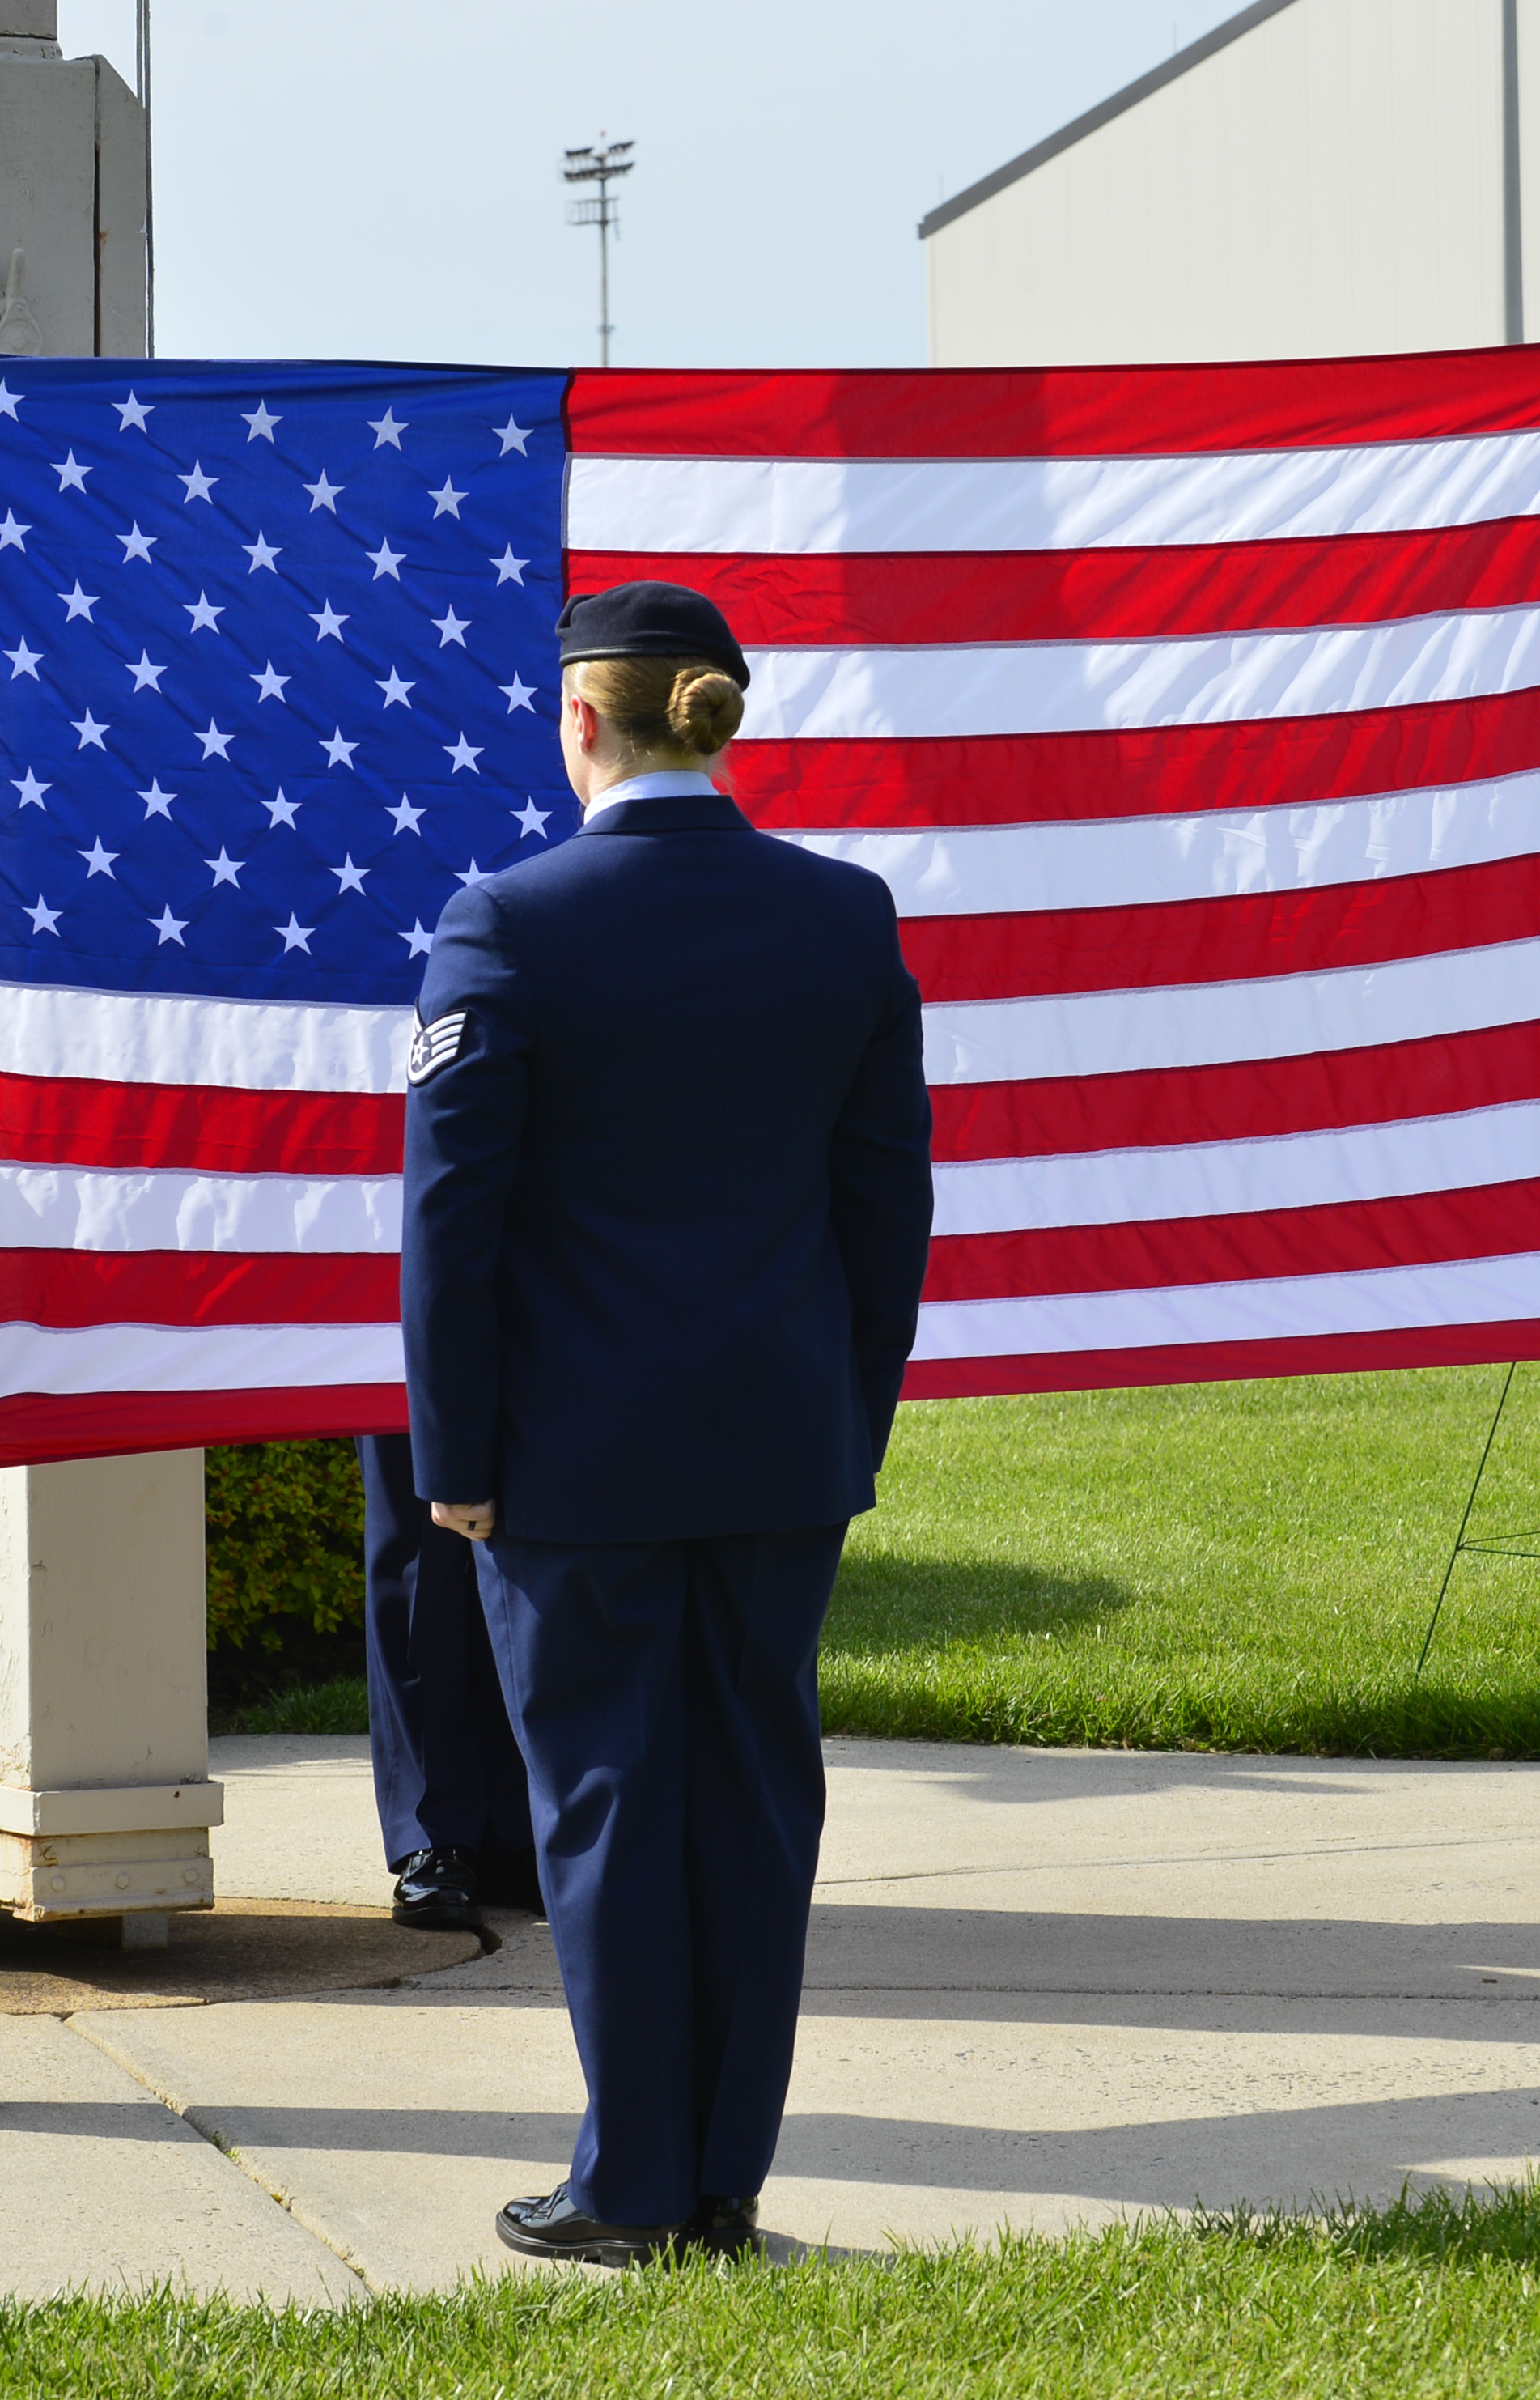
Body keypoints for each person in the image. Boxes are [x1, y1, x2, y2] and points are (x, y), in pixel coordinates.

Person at [401, 580, 935, 2266]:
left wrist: (455, 1458)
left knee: (609, 1803)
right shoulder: (843, 916)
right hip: (778, 1440)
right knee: (756, 1802)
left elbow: (451, 1221)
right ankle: (721, 2175)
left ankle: (634, 2179)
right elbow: (885, 1214)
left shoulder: (506, 917)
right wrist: (844, 1418)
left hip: (574, 1462)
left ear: (580, 721)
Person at [354, 1428, 536, 1931]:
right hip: (392, 1355)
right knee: (418, 1557)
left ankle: (516, 1829)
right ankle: (434, 1831)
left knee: (527, 1541)